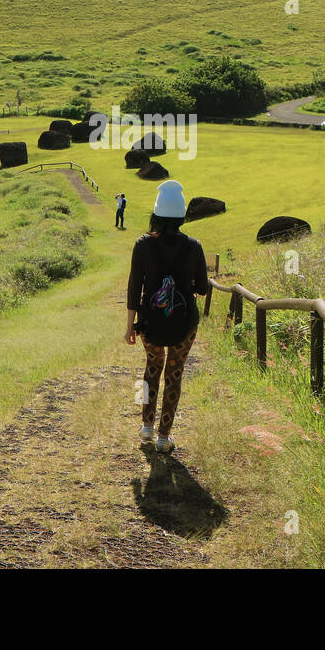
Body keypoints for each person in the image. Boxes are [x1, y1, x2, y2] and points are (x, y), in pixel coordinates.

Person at [124, 180, 209, 454]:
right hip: (184, 323)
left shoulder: (142, 245)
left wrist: (130, 327)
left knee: (151, 369)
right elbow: (203, 288)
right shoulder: (194, 246)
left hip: (150, 322)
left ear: (156, 213)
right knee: (174, 374)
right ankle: (164, 436)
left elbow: (134, 288)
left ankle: (146, 426)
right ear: (182, 214)